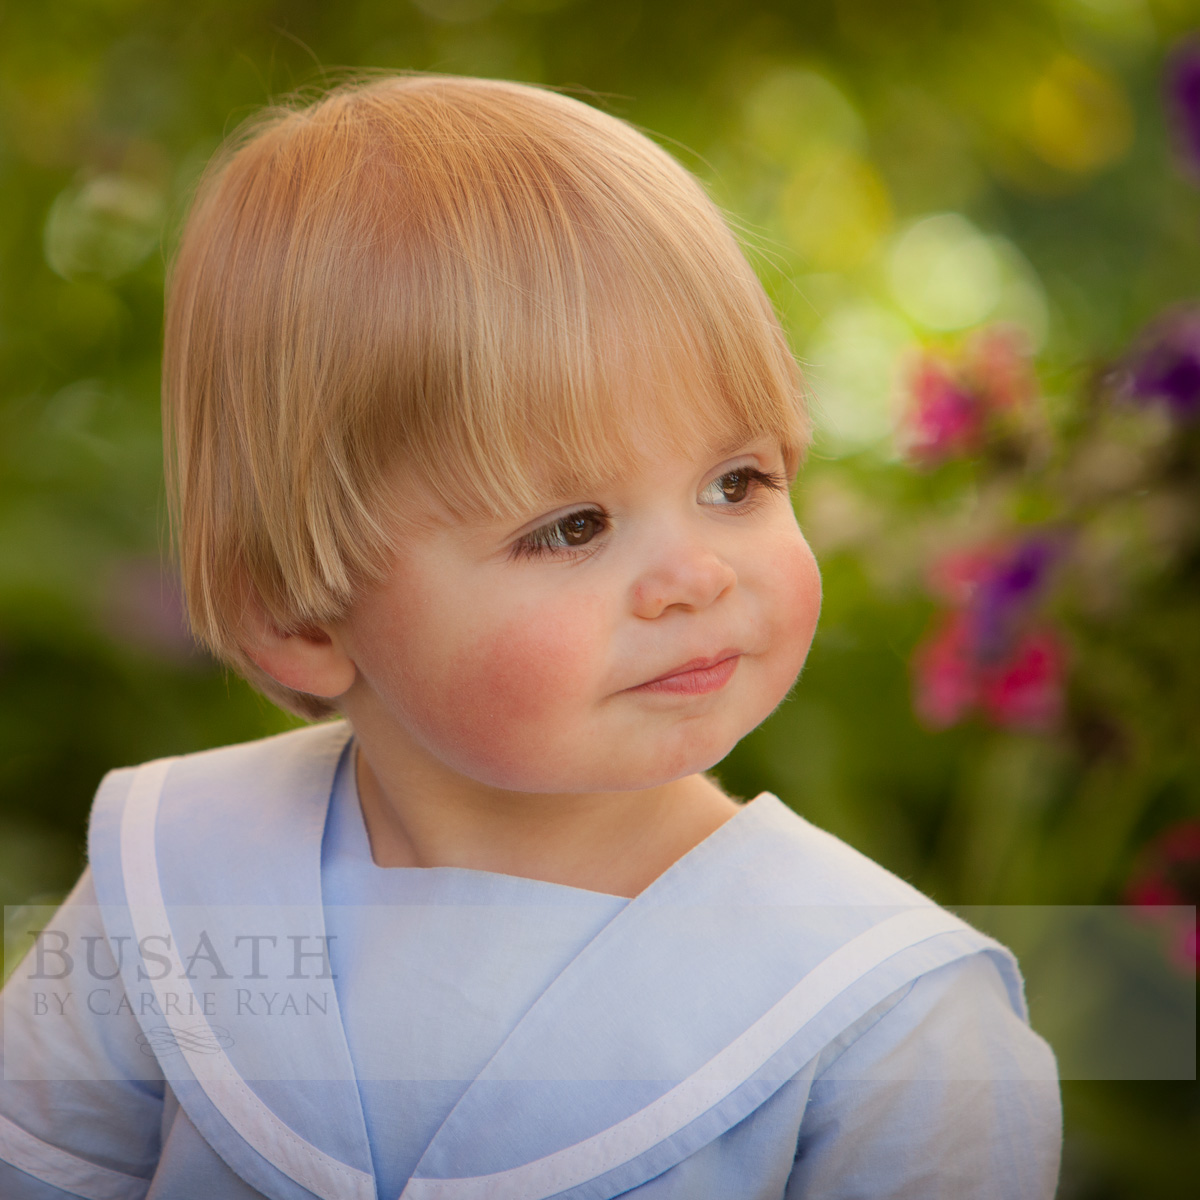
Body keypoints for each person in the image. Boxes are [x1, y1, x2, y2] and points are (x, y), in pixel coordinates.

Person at [0, 75, 1061, 1199]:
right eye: (572, 527)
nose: (696, 577)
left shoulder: (894, 1023)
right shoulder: (173, 881)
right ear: (299, 617)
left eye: (738, 481)